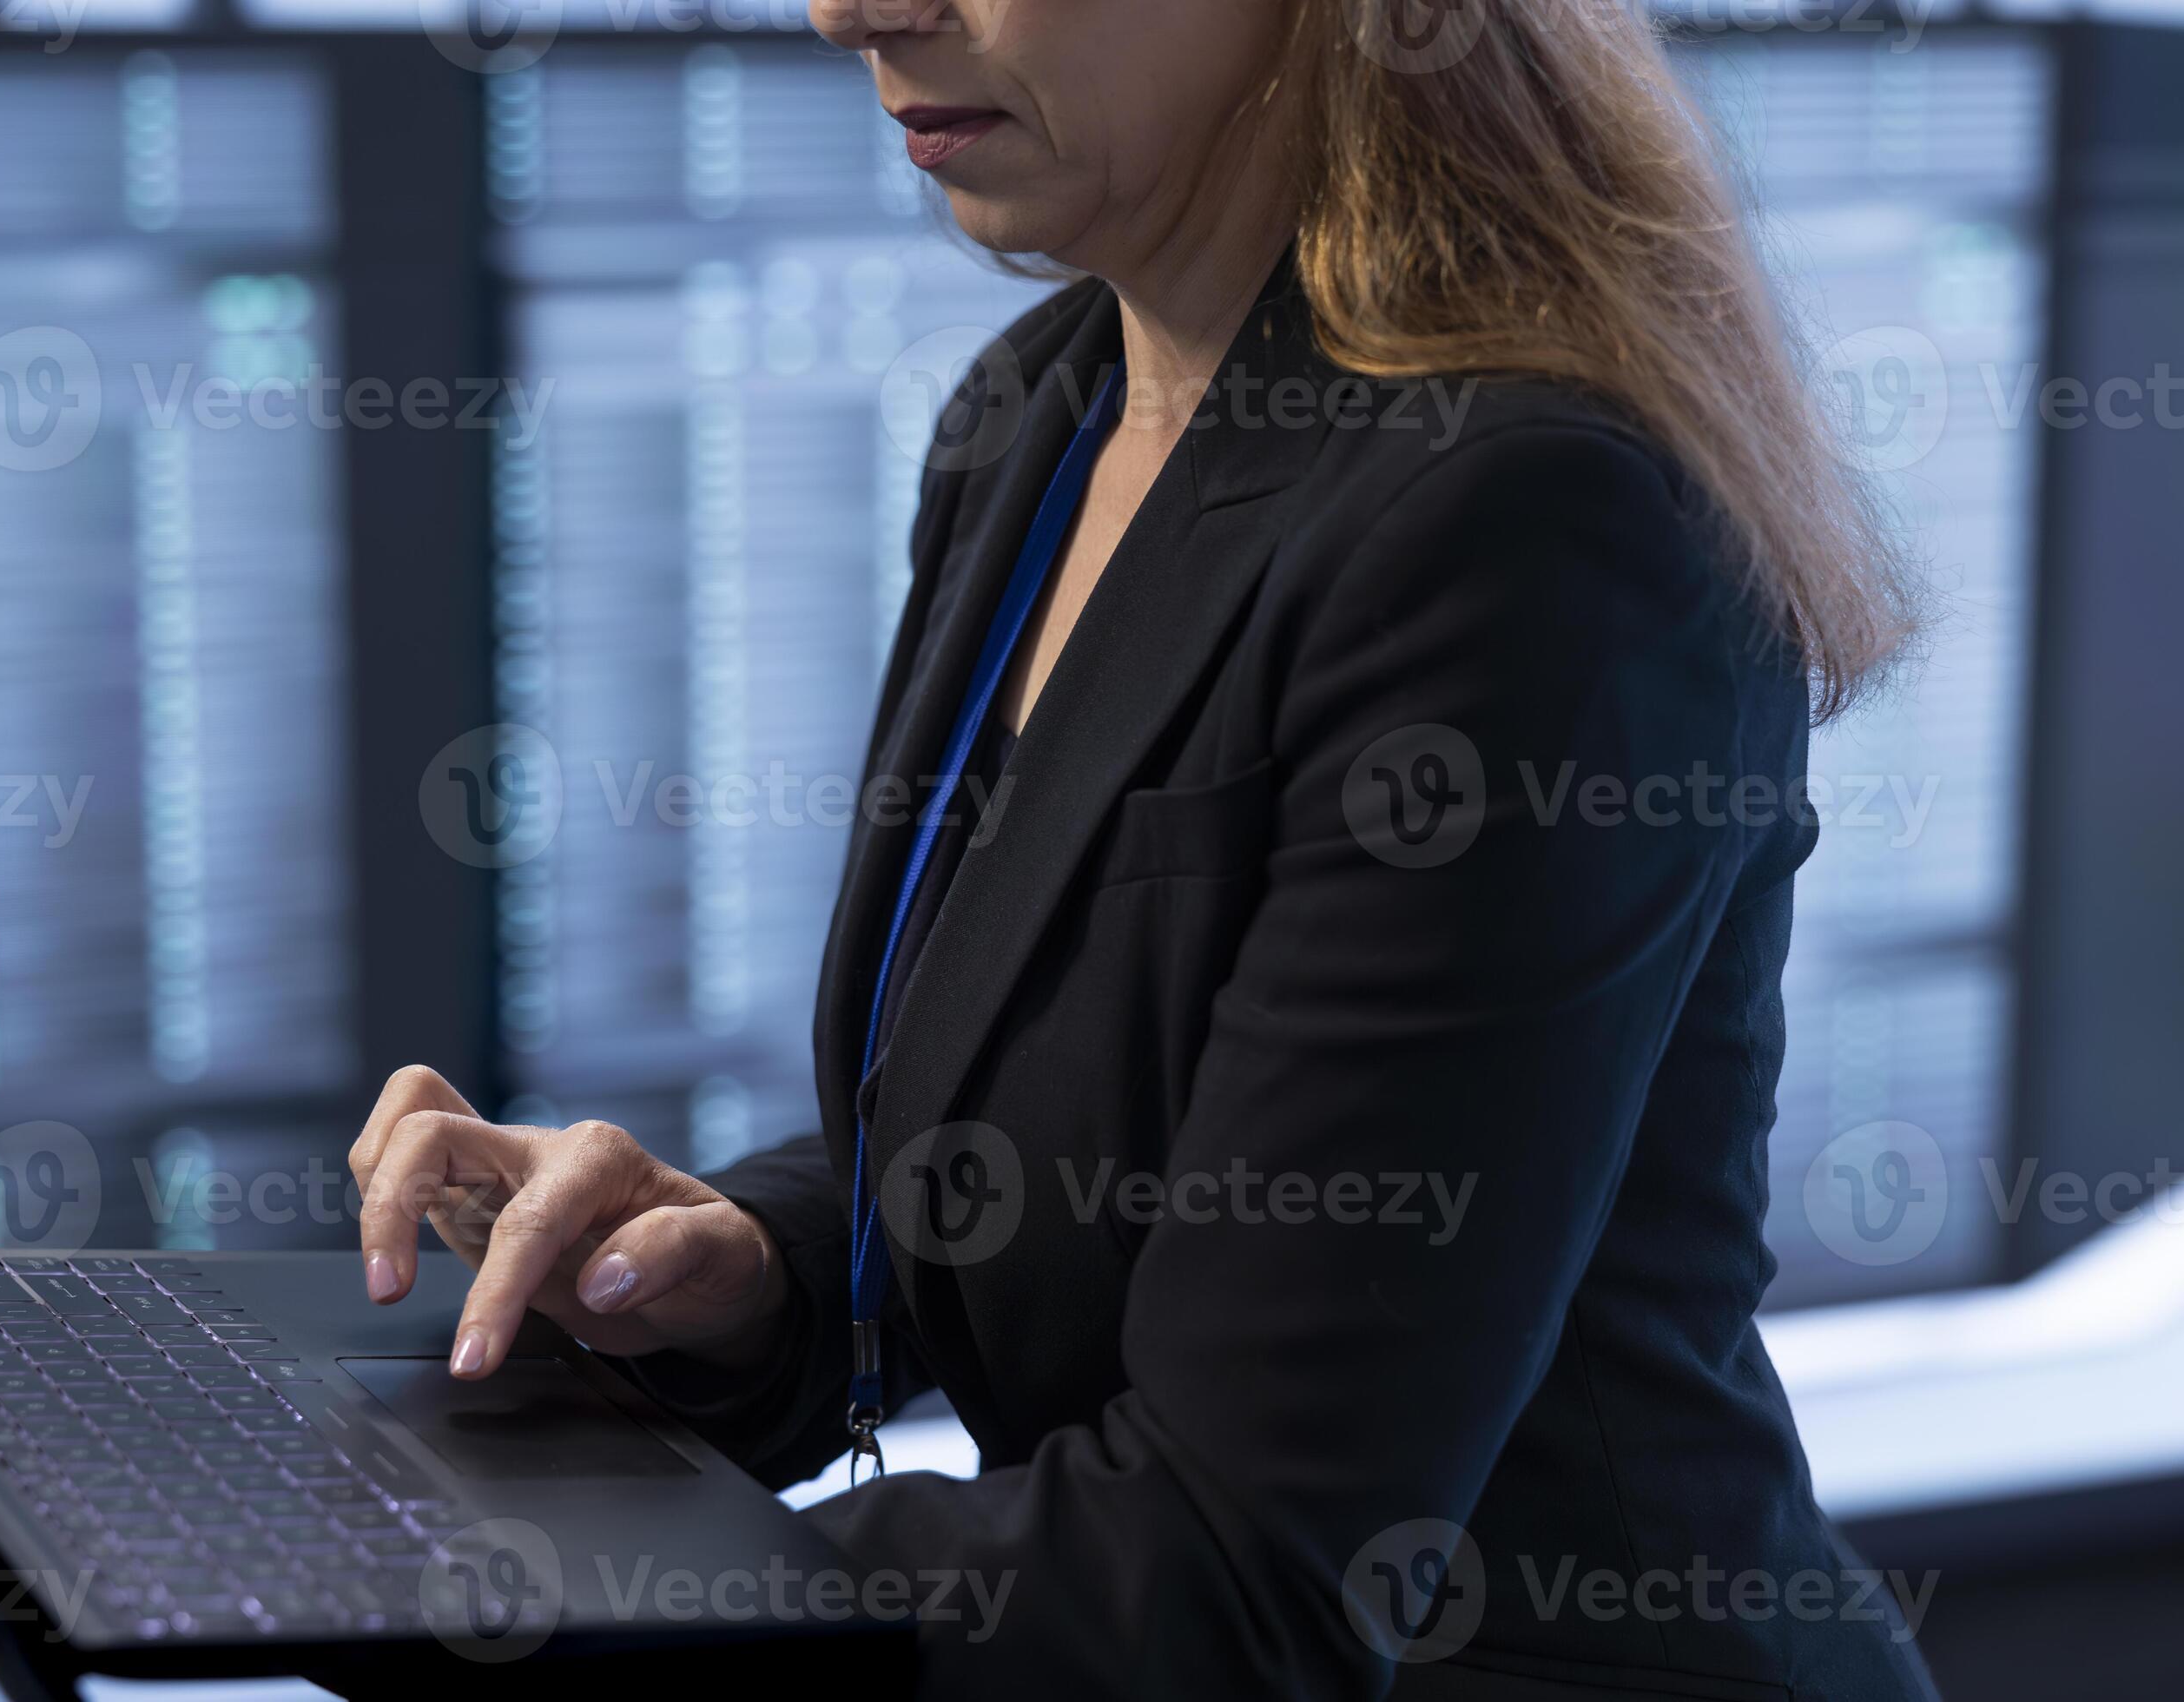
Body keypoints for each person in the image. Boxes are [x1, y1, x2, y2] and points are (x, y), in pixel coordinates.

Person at [347, 0, 1938, 1694]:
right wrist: (749, 1278)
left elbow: (1231, 1570)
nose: (852, 10)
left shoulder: (1525, 522)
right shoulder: (1041, 414)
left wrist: (510, 1593)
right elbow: (1093, 1103)